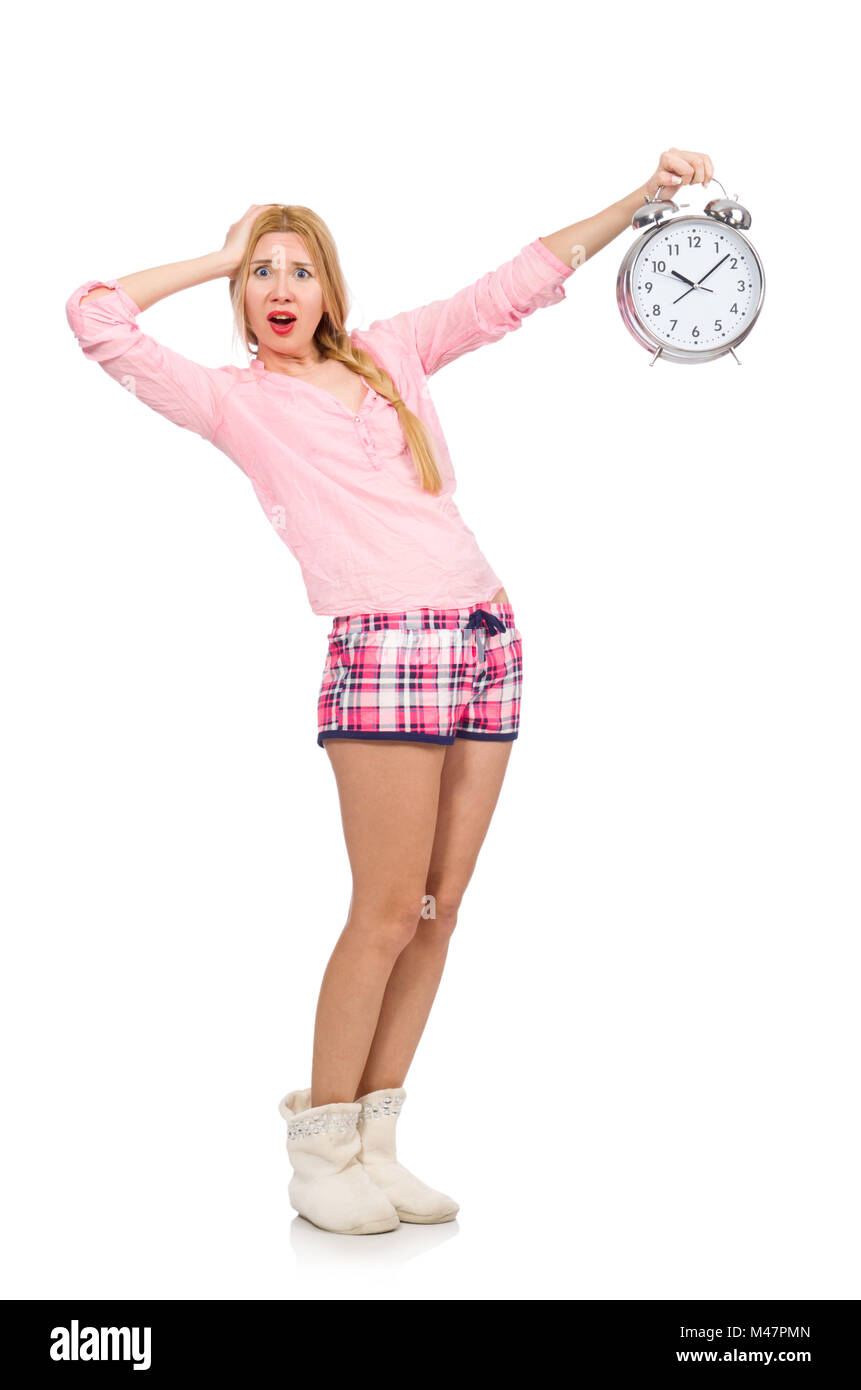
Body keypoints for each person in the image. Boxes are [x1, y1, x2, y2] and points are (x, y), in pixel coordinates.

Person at [65, 146, 715, 1236]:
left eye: (296, 270)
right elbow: (94, 318)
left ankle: (376, 1139)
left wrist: (644, 199)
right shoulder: (235, 402)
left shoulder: (390, 355)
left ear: (331, 287)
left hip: (485, 631)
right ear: (241, 294)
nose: (278, 290)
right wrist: (219, 247)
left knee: (439, 908)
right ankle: (319, 1150)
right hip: (384, 649)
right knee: (381, 910)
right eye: (258, 274)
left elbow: (518, 283)